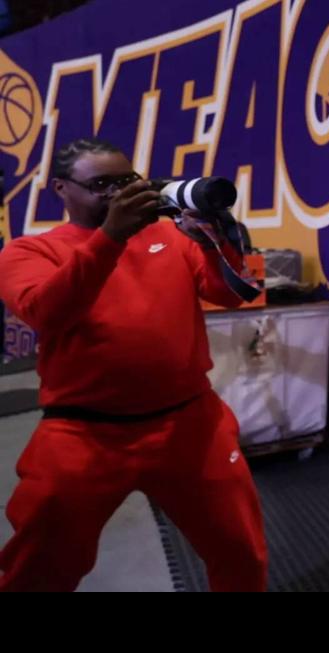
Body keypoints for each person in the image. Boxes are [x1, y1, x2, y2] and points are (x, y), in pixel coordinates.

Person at [0, 138, 267, 591]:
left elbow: (229, 294)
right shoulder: (28, 252)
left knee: (241, 551)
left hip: (190, 422)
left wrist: (218, 237)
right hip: (84, 432)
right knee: (38, 567)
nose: (119, 193)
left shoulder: (169, 236)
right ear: (62, 189)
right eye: (102, 184)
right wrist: (110, 239)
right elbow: (46, 311)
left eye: (126, 180)